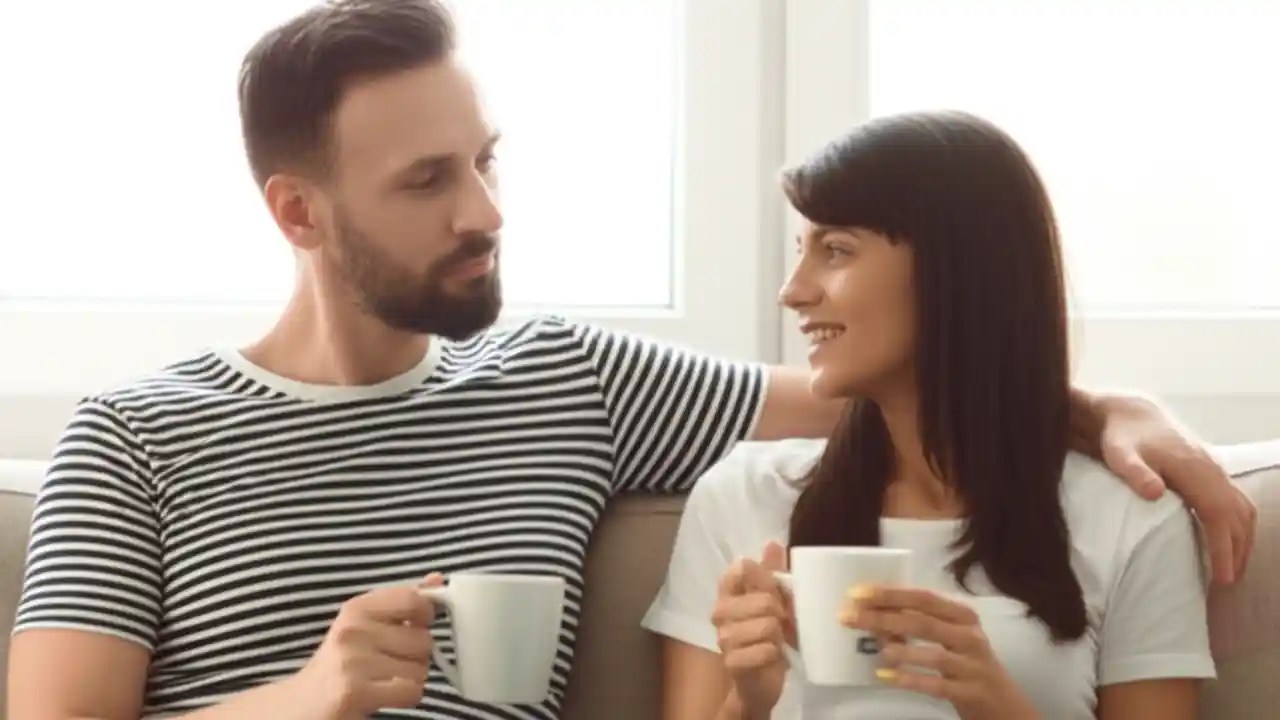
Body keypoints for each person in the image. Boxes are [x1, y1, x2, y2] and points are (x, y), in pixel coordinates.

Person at [5, 2, 1251, 719]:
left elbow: (886, 382)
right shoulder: (134, 436)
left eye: (488, 160)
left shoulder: (569, 379)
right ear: (299, 213)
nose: (485, 212)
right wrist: (302, 699)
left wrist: (1107, 409)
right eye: (429, 181)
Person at [643, 111, 1229, 719]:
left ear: (958, 271)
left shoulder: (1130, 518)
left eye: (836, 250)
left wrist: (997, 704)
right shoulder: (742, 498)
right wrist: (748, 702)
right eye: (802, 250)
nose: (793, 290)